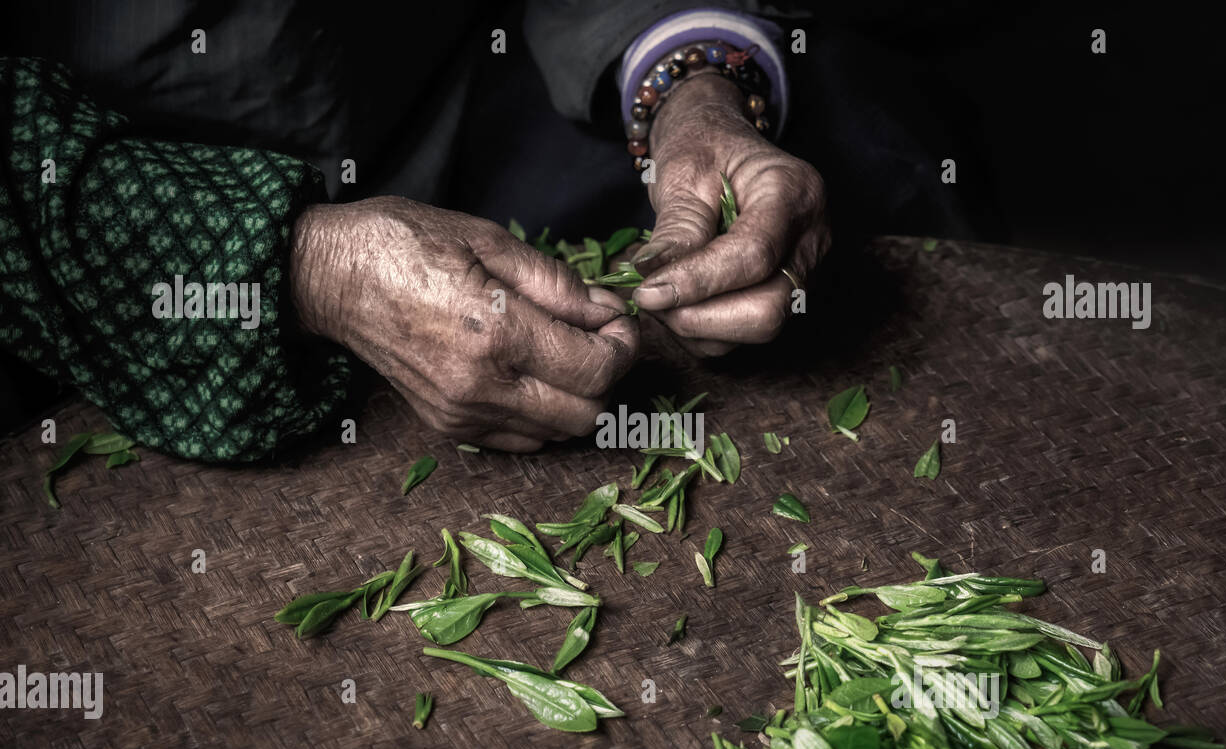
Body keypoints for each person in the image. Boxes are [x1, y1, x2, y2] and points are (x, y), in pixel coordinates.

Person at [0, 2, 831, 459]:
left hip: (449, 102)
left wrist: (691, 85)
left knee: (857, 161)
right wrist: (313, 265)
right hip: (128, 219)